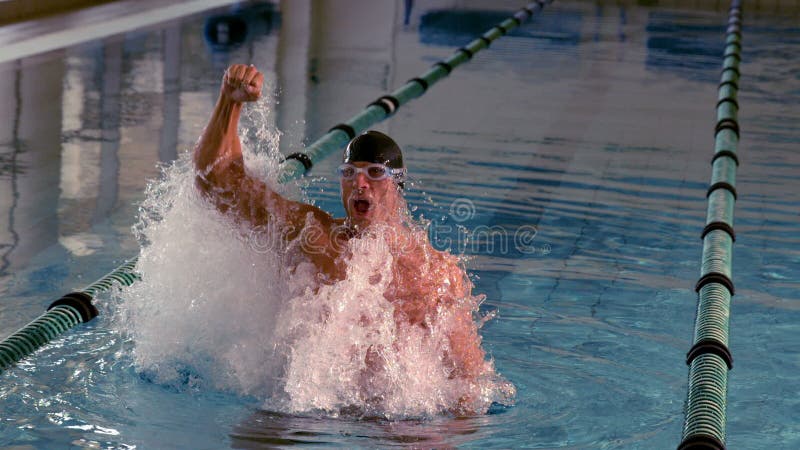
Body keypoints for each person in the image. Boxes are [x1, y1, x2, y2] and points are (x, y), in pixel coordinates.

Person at [193, 64, 488, 402]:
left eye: (375, 173)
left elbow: (469, 382)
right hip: (313, 404)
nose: (359, 183)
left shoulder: (436, 274)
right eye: (349, 172)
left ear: (398, 185)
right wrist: (230, 104)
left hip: (398, 418)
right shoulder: (311, 234)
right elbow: (218, 184)